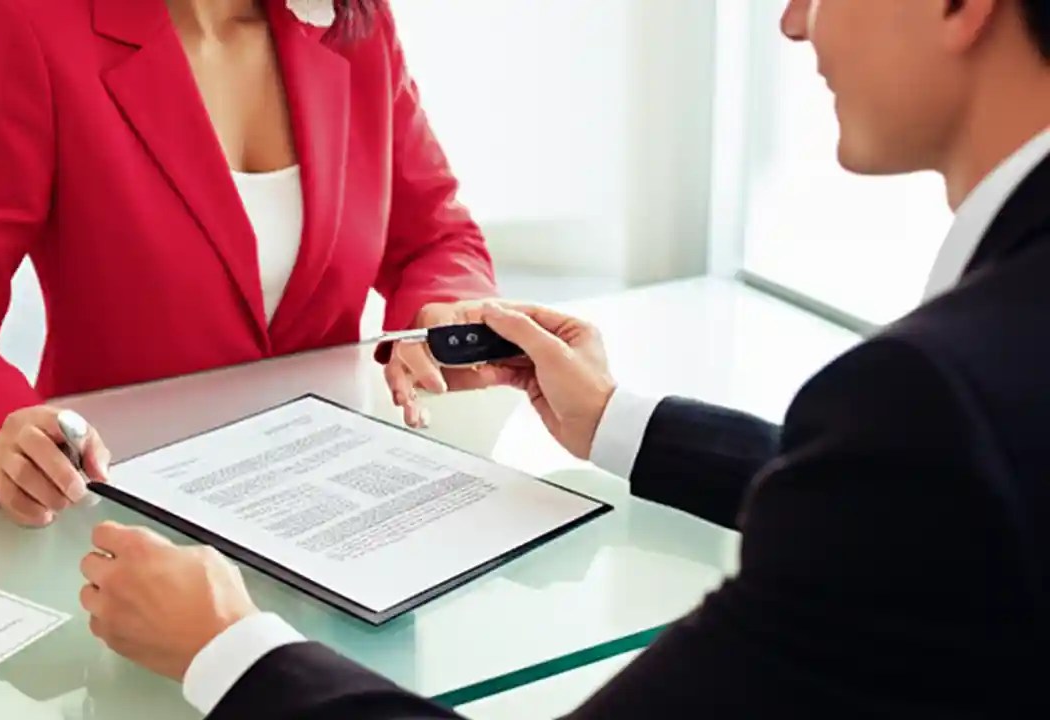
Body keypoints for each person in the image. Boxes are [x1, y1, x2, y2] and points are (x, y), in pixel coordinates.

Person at [78, 0, 1050, 716]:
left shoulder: (930, 398)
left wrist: (228, 650)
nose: (792, 23)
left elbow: (914, 484)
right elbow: (910, 513)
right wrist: (619, 422)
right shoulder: (953, 404)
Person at [0, 0, 497, 527]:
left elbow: (436, 237)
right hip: (119, 515)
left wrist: (442, 312)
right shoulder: (30, 25)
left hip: (336, 508)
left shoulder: (350, 23)